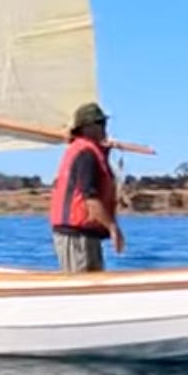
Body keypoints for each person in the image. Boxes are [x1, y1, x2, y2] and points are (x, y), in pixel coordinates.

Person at [49, 102, 125, 272]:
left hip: (85, 234)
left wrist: (105, 152)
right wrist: (113, 229)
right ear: (86, 128)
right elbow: (90, 198)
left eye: (104, 123)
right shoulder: (86, 154)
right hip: (75, 235)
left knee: (94, 280)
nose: (105, 128)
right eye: (100, 124)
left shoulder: (90, 152)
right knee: (82, 281)